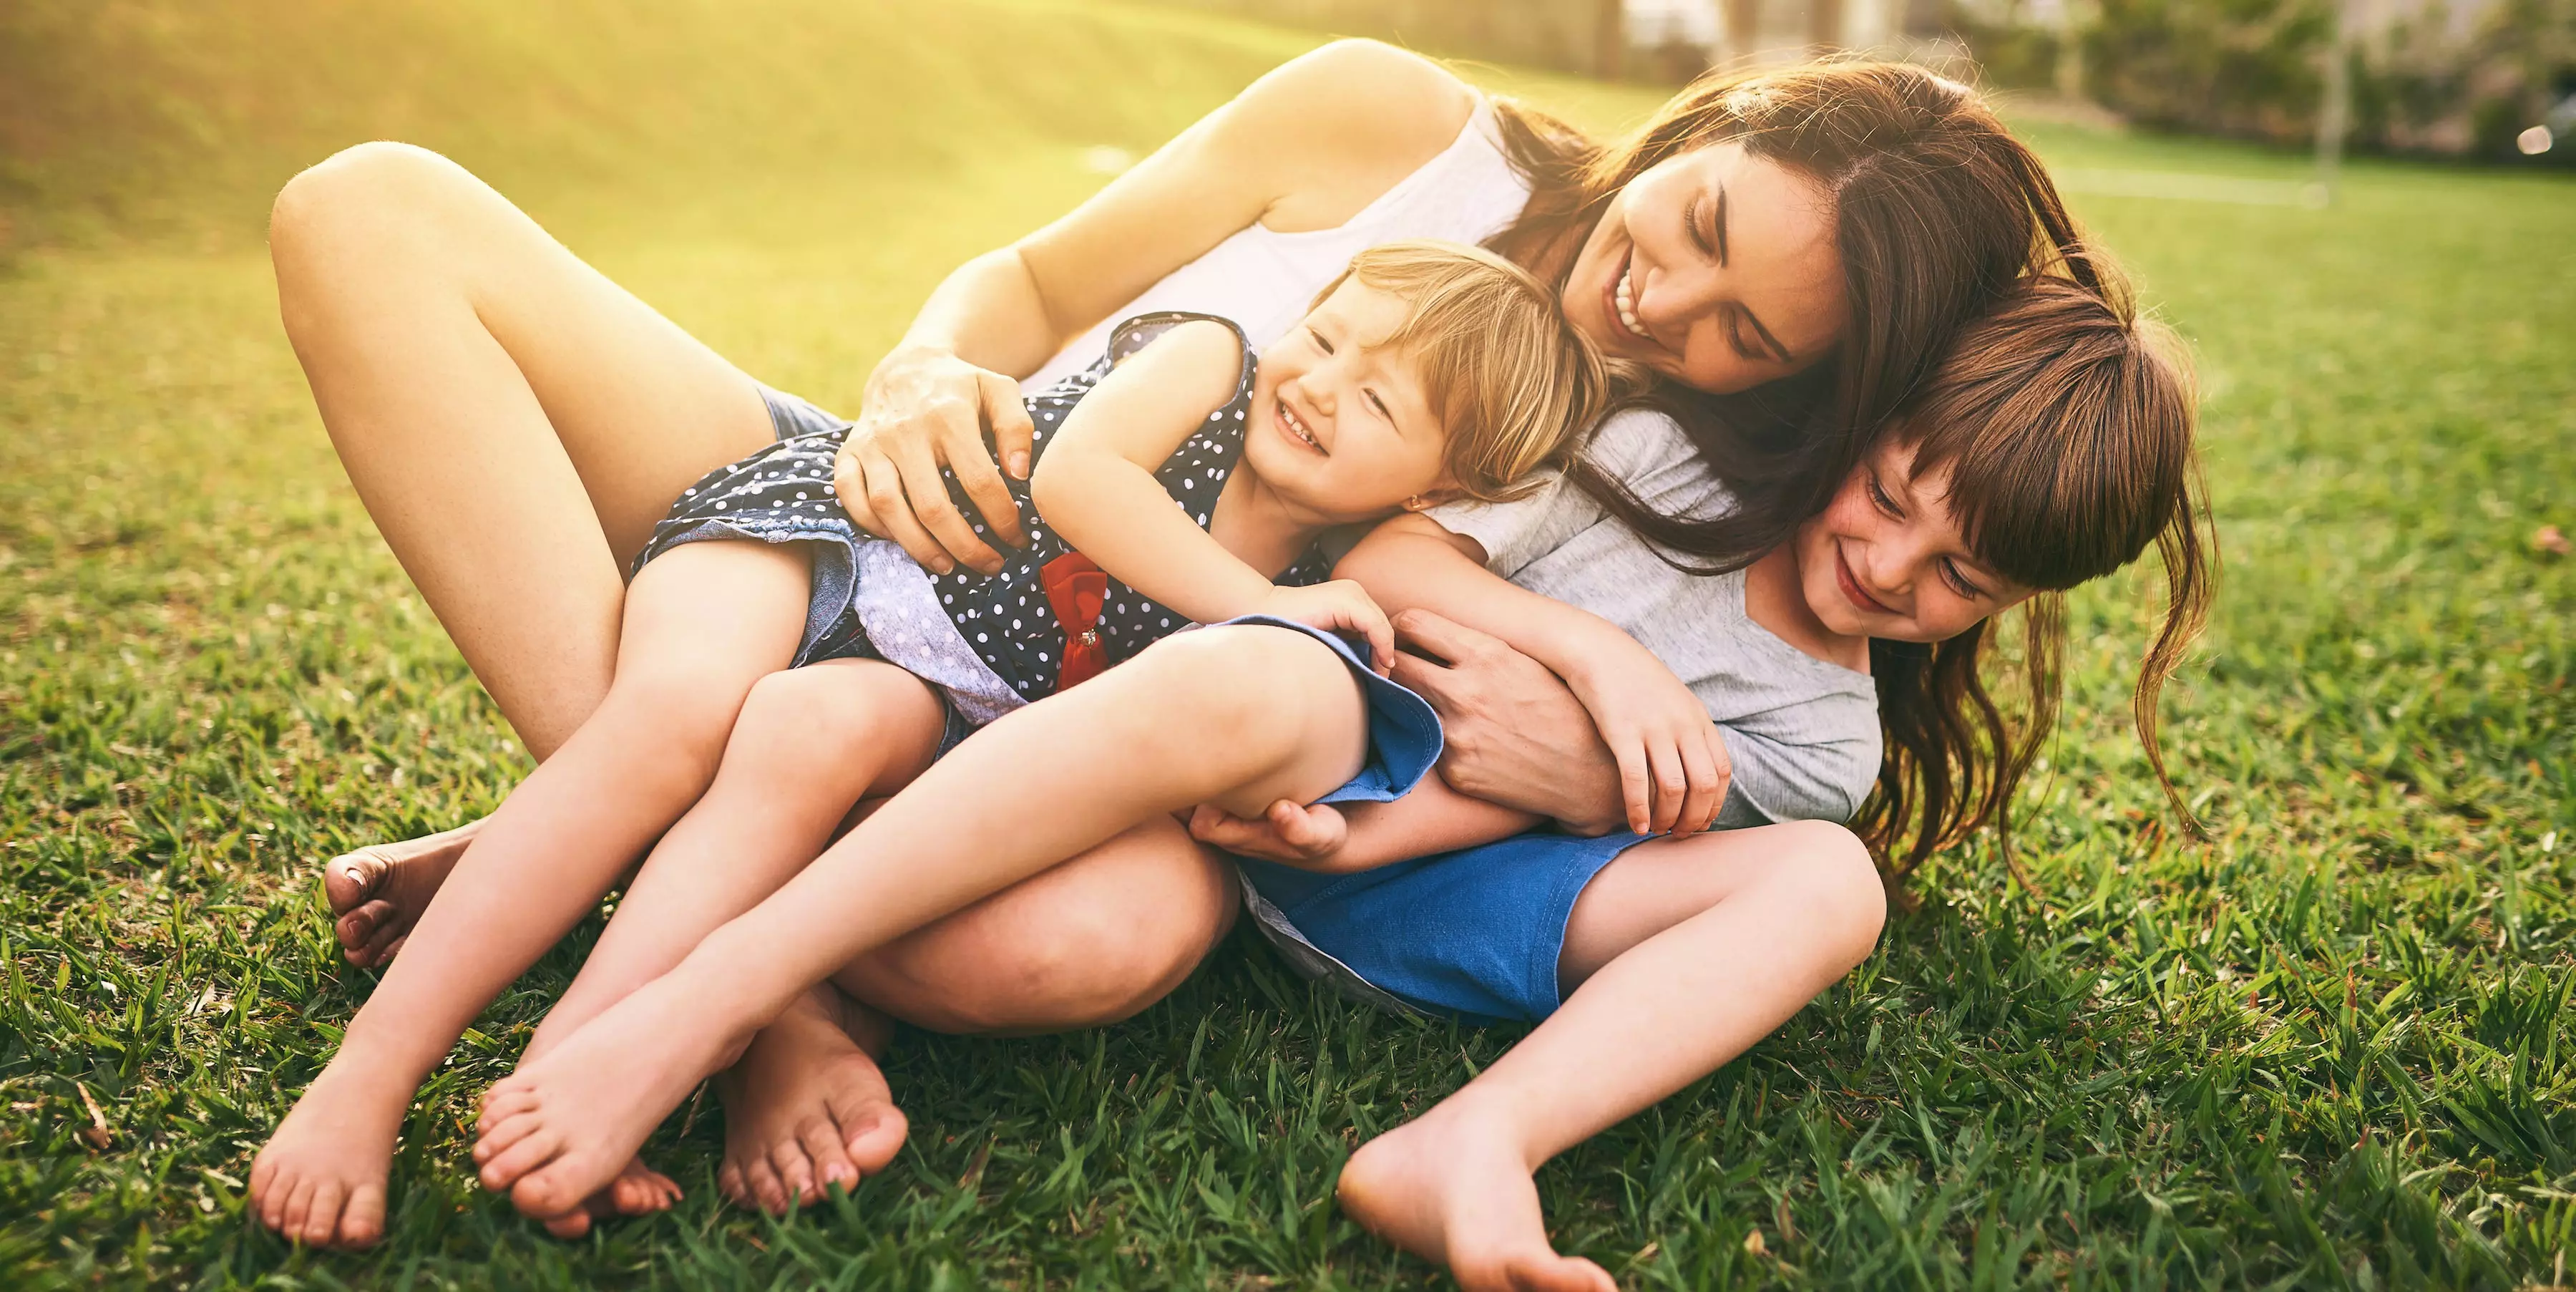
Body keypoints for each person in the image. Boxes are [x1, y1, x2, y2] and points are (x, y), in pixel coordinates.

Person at [254, 44, 2097, 1249]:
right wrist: (922, 374)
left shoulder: (1659, 446)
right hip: (947, 529)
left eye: (1745, 335)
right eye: (1692, 225)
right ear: (1702, 127)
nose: (1659, 299)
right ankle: (705, 921)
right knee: (372, 211)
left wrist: (1580, 739)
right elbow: (1036, 291)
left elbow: (1628, 661)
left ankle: (629, 867)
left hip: (1127, 721)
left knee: (1069, 945)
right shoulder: (1395, 134)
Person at [466, 273, 2215, 1292]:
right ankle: (726, 982)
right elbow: (1405, 559)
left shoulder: (1833, 736)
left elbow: (1599, 815)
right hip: (1263, 729)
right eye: (1894, 494)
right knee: (1262, 672)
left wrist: (1392, 814)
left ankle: (1469, 1142)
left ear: (2017, 602)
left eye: (1960, 577)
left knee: (1832, 883)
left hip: (1394, 867)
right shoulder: (1654, 459)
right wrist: (1598, 662)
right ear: (1867, 430)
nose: (1894, 566)